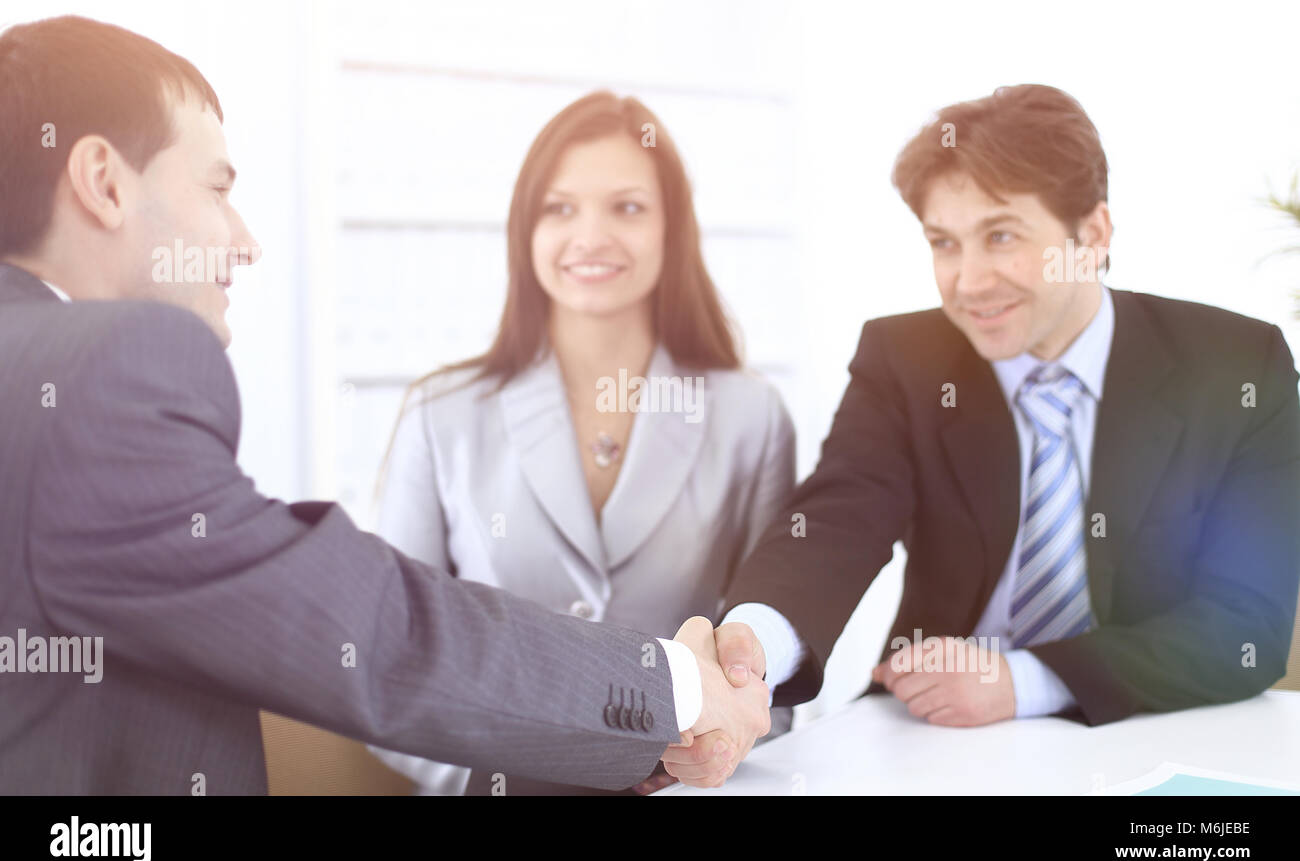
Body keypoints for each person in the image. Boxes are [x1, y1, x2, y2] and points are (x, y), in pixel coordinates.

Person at [0, 15, 770, 795]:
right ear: (102, 182)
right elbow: (375, 630)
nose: (245, 241)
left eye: (628, 207)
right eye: (218, 188)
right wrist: (669, 690)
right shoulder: (95, 375)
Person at [712, 84, 1299, 750]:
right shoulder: (905, 361)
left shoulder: (1236, 366)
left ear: (1093, 234)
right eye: (944, 243)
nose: (968, 281)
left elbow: (1247, 625)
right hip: (937, 734)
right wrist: (749, 645)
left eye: (1001, 236)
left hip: (1149, 730)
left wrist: (1025, 680)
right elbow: (836, 520)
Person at [365, 91, 796, 795]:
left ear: (672, 229)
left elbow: (768, 662)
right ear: (525, 230)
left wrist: (700, 758)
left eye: (626, 207)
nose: (590, 235)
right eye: (559, 208)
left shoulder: (750, 416)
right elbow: (391, 661)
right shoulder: (441, 415)